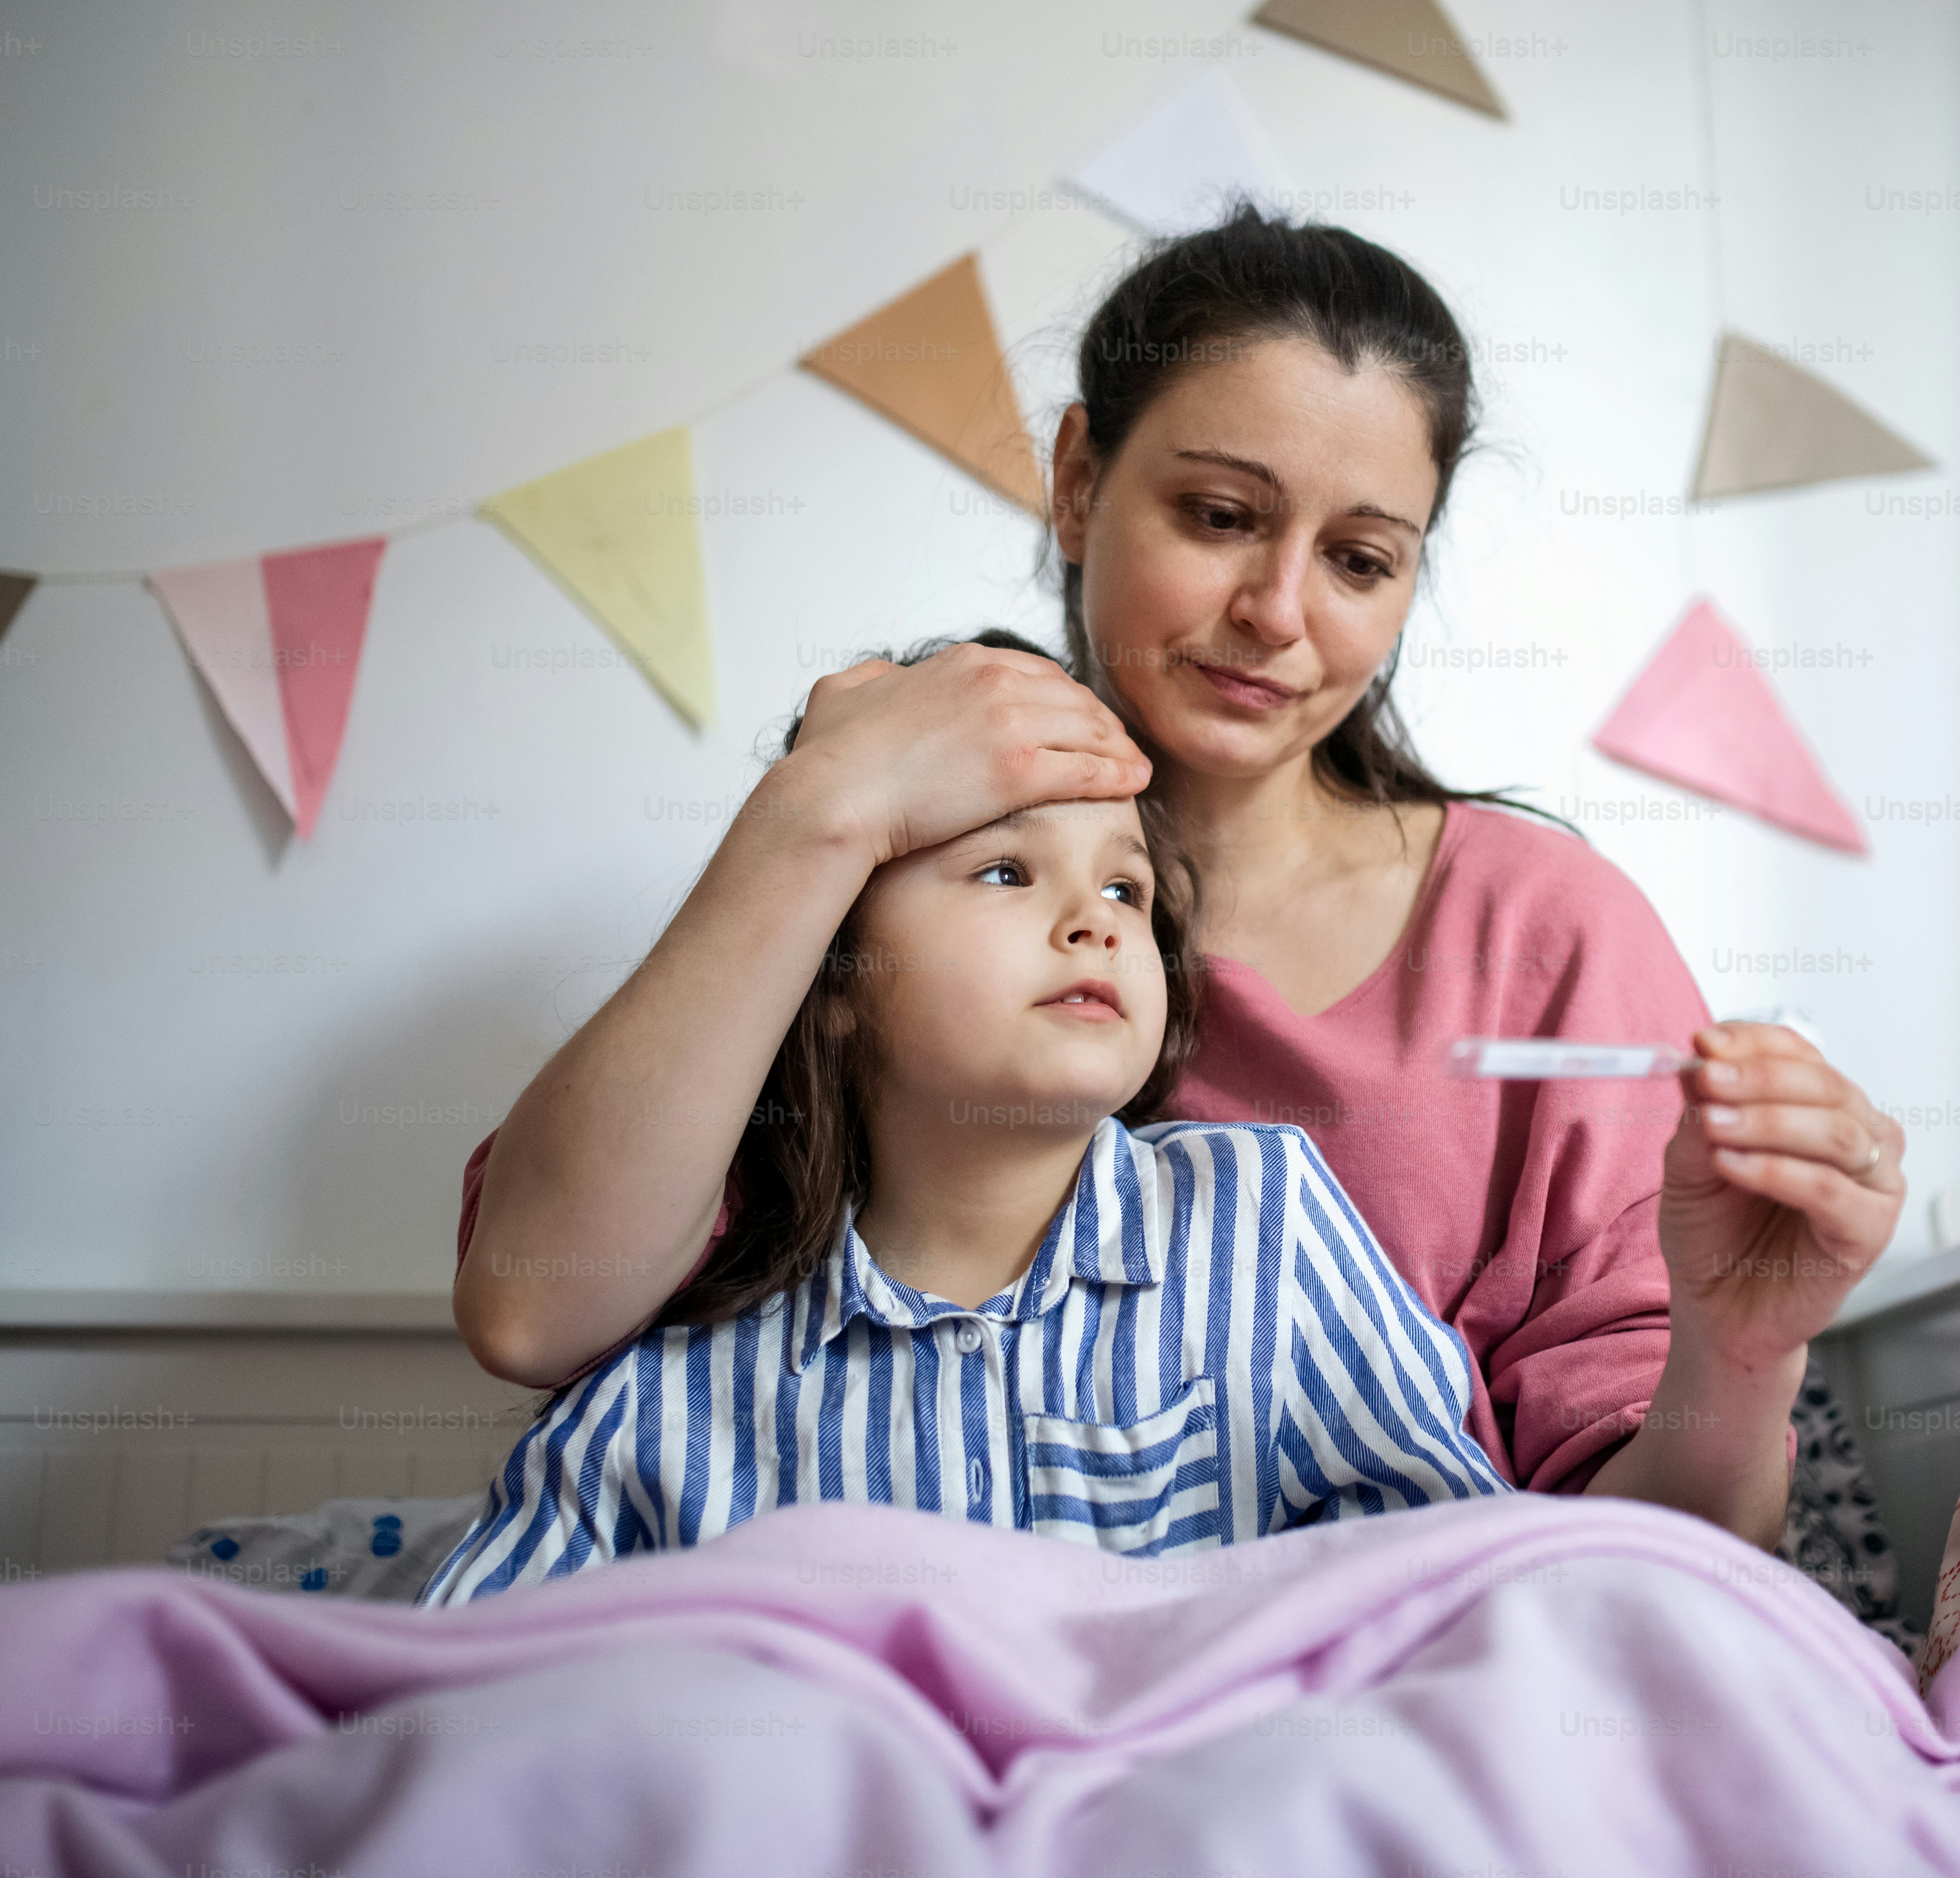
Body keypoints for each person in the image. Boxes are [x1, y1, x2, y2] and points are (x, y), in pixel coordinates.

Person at [452, 208, 1905, 1549]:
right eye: (1219, 516)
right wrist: (814, 815)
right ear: (1080, 480)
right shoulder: (882, 858)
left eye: (1357, 559)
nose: (1277, 614)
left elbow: (1670, 1575)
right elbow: (532, 1313)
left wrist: (1741, 1356)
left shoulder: (1545, 934)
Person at [425, 648, 1505, 1602]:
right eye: (1003, 870)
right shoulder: (680, 1351)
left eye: (1127, 889)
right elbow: (498, 1681)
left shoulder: (1265, 1219)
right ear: (834, 971)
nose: (1096, 919)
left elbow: (1454, 1564)